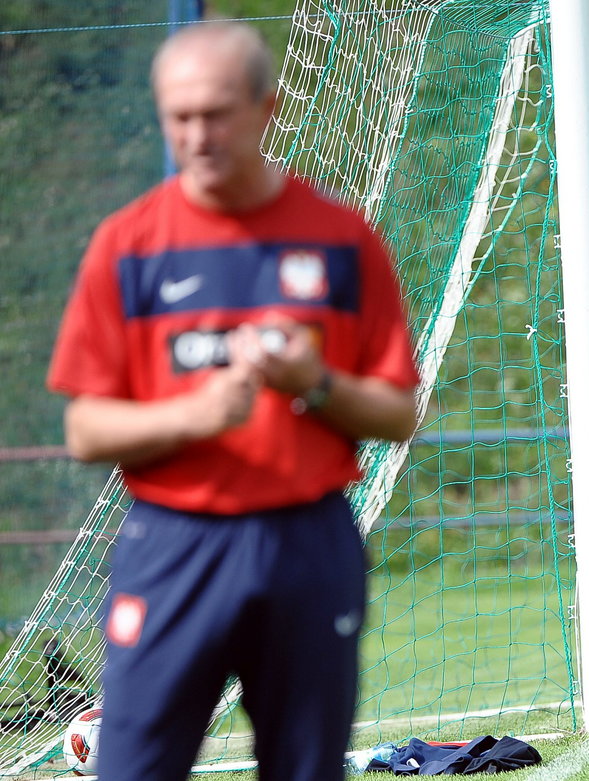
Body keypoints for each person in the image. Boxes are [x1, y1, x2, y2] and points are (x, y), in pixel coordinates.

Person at [46, 21, 420, 780]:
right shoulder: (128, 245)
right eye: (178, 116)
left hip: (307, 542)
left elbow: (398, 410)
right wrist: (197, 414)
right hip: (173, 544)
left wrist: (313, 383)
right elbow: (86, 428)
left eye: (216, 112)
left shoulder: (340, 239)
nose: (197, 134)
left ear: (268, 107)